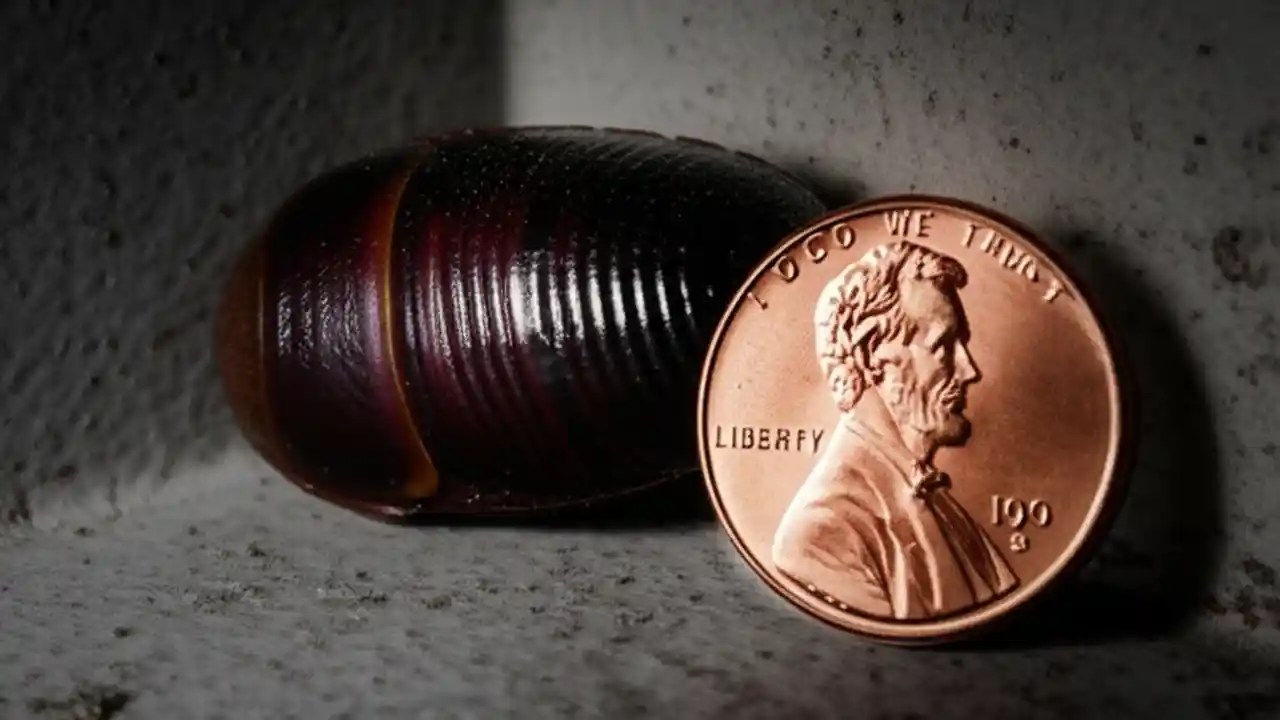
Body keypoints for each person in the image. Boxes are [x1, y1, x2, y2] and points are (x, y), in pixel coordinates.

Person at [771, 241, 1018, 620]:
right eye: (945, 345)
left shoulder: (935, 499)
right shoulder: (821, 532)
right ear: (873, 355)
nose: (969, 371)